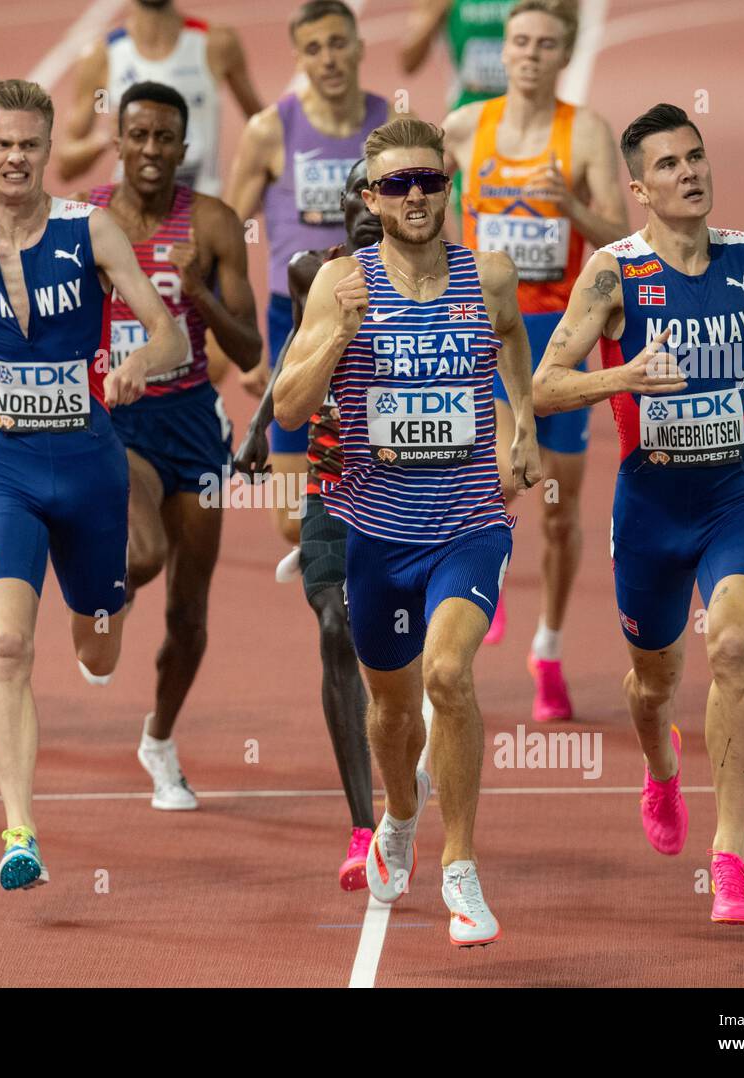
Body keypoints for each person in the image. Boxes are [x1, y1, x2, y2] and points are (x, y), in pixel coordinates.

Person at [532, 103, 744, 925]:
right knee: (651, 684)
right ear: (638, 187)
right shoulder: (613, 273)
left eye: (696, 157)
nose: (690, 173)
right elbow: (543, 384)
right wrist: (621, 377)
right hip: (650, 506)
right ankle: (661, 770)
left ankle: (730, 856)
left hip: (735, 496)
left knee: (733, 644)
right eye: (668, 165)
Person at [0, 79, 187, 891]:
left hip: (91, 466)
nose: (15, 159)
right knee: (8, 646)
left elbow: (166, 331)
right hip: (9, 471)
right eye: (0, 145)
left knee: (97, 645)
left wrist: (137, 361)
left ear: (47, 146)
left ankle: (106, 607)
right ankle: (19, 831)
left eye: (30, 145)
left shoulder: (88, 230)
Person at [274, 118, 541, 946]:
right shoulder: (339, 284)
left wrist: (520, 422)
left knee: (451, 674)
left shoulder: (488, 274)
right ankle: (397, 815)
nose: (415, 195)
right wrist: (341, 334)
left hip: (468, 524)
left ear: (448, 184)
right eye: (396, 184)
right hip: (377, 534)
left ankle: (461, 867)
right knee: (391, 713)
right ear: (369, 197)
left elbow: (512, 343)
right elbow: (287, 405)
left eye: (428, 180)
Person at [74, 82, 261, 810]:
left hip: (192, 424)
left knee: (189, 615)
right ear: (117, 141)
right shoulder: (81, 221)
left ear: (186, 149)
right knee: (141, 551)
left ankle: (158, 740)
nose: (151, 151)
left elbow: (249, 349)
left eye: (165, 139)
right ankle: (88, 593)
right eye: (138, 136)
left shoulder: (213, 224)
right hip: (117, 421)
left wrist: (200, 292)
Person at [443, 0, 628, 721]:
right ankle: (479, 580)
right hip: (491, 327)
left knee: (560, 509)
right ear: (505, 47)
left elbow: (619, 234)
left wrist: (570, 208)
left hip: (562, 337)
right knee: (501, 478)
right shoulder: (464, 127)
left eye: (544, 44)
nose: (528, 54)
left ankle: (547, 648)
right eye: (519, 41)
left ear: (563, 53)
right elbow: (413, 201)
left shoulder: (584, 132)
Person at [235, 160, 380, 887]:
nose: (359, 208)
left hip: (412, 496)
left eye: (371, 195)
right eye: (349, 197)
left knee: (405, 660)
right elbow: (294, 354)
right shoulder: (311, 272)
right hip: (333, 484)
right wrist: (261, 428)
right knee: (334, 630)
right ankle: (362, 828)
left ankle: (412, 773)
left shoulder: (444, 283)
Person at [226, 0, 393, 562]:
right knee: (293, 517)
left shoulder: (388, 132)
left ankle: (358, 587)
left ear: (359, 47)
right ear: (298, 57)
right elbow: (225, 237)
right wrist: (240, 343)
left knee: (390, 476)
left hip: (384, 312)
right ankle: (334, 552)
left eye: (339, 44)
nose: (329, 59)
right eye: (314, 48)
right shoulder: (271, 128)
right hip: (294, 316)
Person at [57, 0, 262, 196]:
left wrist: (249, 189)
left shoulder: (216, 43)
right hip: (133, 220)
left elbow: (264, 127)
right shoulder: (101, 56)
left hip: (200, 217)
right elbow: (65, 165)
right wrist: (104, 138)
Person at [399, 0, 509, 211]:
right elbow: (408, 60)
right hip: (470, 123)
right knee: (472, 209)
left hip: (527, 116)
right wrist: (436, 12)